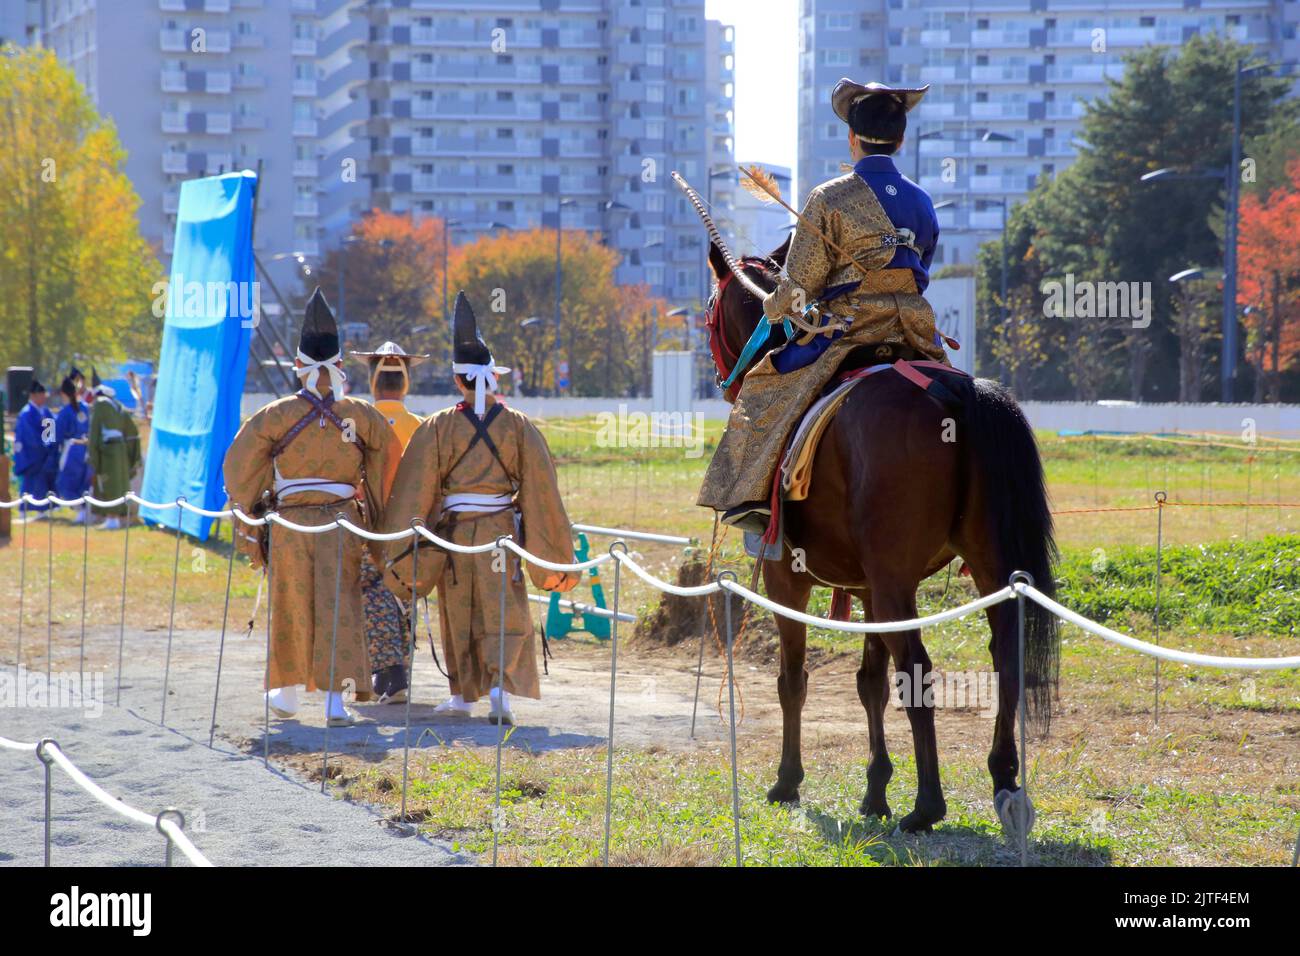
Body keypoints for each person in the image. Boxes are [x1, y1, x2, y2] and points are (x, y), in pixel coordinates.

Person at [697, 80, 952, 533]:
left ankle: (749, 500)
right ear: (901, 139)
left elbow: (796, 290)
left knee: (763, 386)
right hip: (915, 333)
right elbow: (921, 271)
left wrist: (774, 305)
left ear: (852, 138)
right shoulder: (923, 201)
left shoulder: (829, 197)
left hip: (849, 332)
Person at [383, 292, 579, 725]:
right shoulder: (518, 425)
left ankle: (462, 694)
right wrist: (549, 549)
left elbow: (415, 490)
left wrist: (402, 550)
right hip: (500, 535)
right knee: (502, 609)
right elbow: (543, 492)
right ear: (491, 377)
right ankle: (499, 692)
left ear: (457, 381)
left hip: (453, 536)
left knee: (459, 612)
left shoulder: (437, 426)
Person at [223, 288, 400, 727]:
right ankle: (336, 703)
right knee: (342, 605)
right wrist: (375, 513)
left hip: (290, 524)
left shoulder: (275, 415)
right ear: (340, 367)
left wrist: (259, 504)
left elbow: (239, 468)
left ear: (297, 367)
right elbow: (388, 468)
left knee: (290, 603)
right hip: (343, 524)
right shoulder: (362, 416)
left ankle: (285, 695)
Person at [348, 340, 430, 704]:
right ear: (406, 382)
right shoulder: (421, 427)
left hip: (366, 521)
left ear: (372, 380)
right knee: (404, 591)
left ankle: (388, 674)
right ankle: (397, 673)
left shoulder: (355, 421)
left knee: (369, 591)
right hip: (410, 523)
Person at [87, 370, 141, 530]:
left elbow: (95, 431)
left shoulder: (101, 405)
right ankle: (122, 518)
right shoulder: (119, 407)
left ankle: (112, 519)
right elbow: (132, 431)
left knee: (109, 484)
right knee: (121, 485)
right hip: (121, 450)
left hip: (108, 451)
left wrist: (93, 455)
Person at [13, 380, 58, 517]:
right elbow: (29, 436)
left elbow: (50, 431)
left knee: (45, 481)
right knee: (31, 482)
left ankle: (43, 509)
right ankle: (25, 510)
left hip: (44, 454)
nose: (44, 398)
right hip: (31, 454)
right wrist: (43, 447)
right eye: (41, 395)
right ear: (33, 395)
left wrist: (50, 446)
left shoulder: (45, 411)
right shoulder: (26, 413)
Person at [55, 375, 93, 523]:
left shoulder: (64, 412)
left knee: (65, 482)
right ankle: (84, 510)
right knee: (83, 480)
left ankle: (81, 510)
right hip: (87, 448)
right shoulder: (85, 407)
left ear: (63, 393)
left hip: (71, 449)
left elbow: (55, 435)